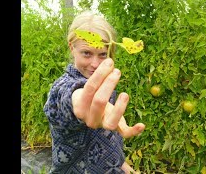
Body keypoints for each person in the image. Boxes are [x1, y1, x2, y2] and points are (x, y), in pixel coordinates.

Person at [43, 10, 145, 174]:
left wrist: (122, 164)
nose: (95, 64)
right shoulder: (61, 88)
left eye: (102, 54)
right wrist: (80, 102)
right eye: (87, 53)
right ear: (72, 48)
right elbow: (72, 96)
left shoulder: (106, 87)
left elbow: (110, 136)